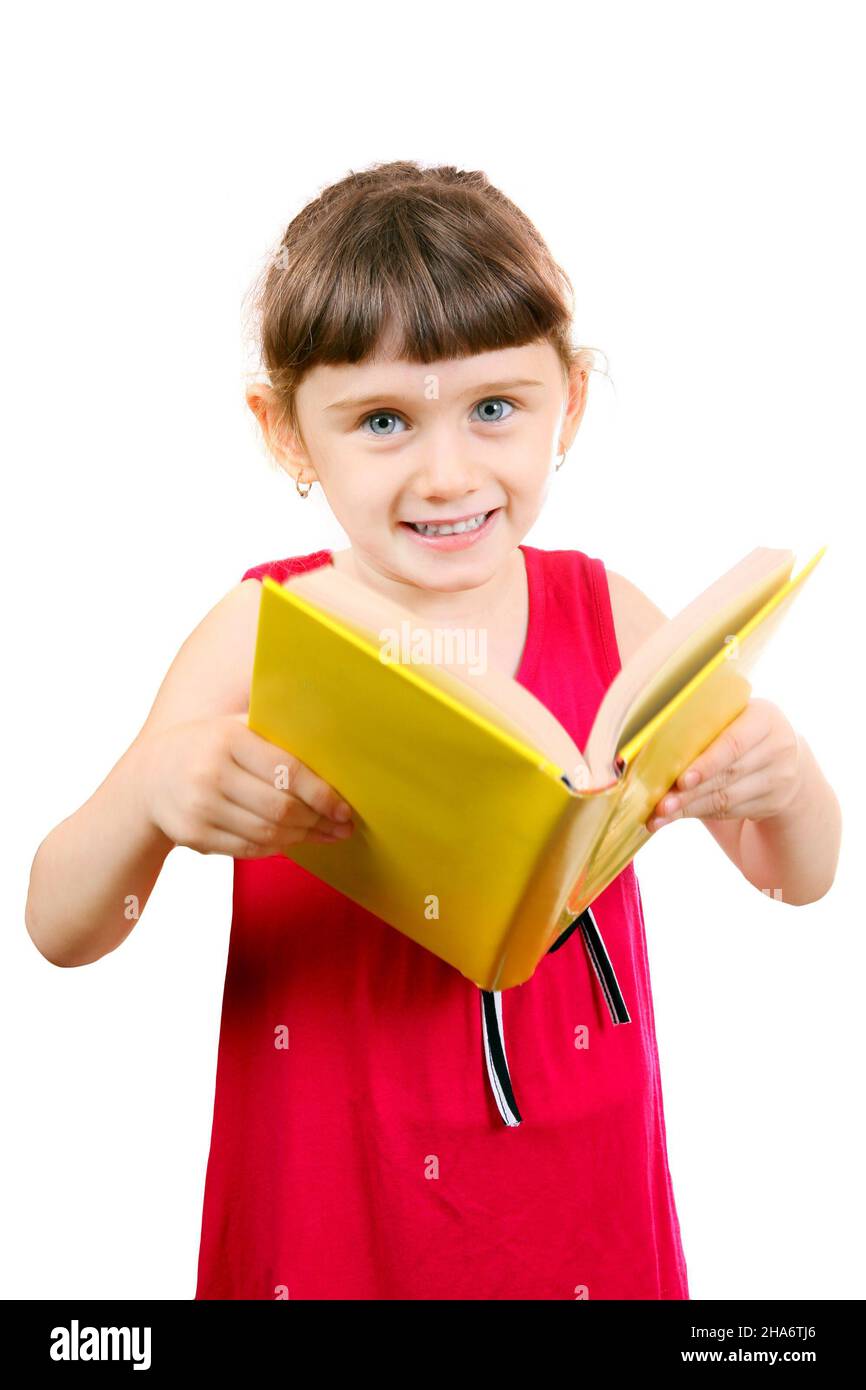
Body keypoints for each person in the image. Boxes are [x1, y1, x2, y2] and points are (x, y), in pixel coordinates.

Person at [24, 159, 842, 1301]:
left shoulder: (606, 611)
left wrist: (784, 779)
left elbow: (792, 880)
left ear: (571, 403)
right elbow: (65, 927)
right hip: (335, 1180)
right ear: (286, 434)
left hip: (572, 1166)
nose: (447, 472)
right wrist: (150, 797)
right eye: (380, 421)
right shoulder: (260, 629)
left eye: (494, 408)